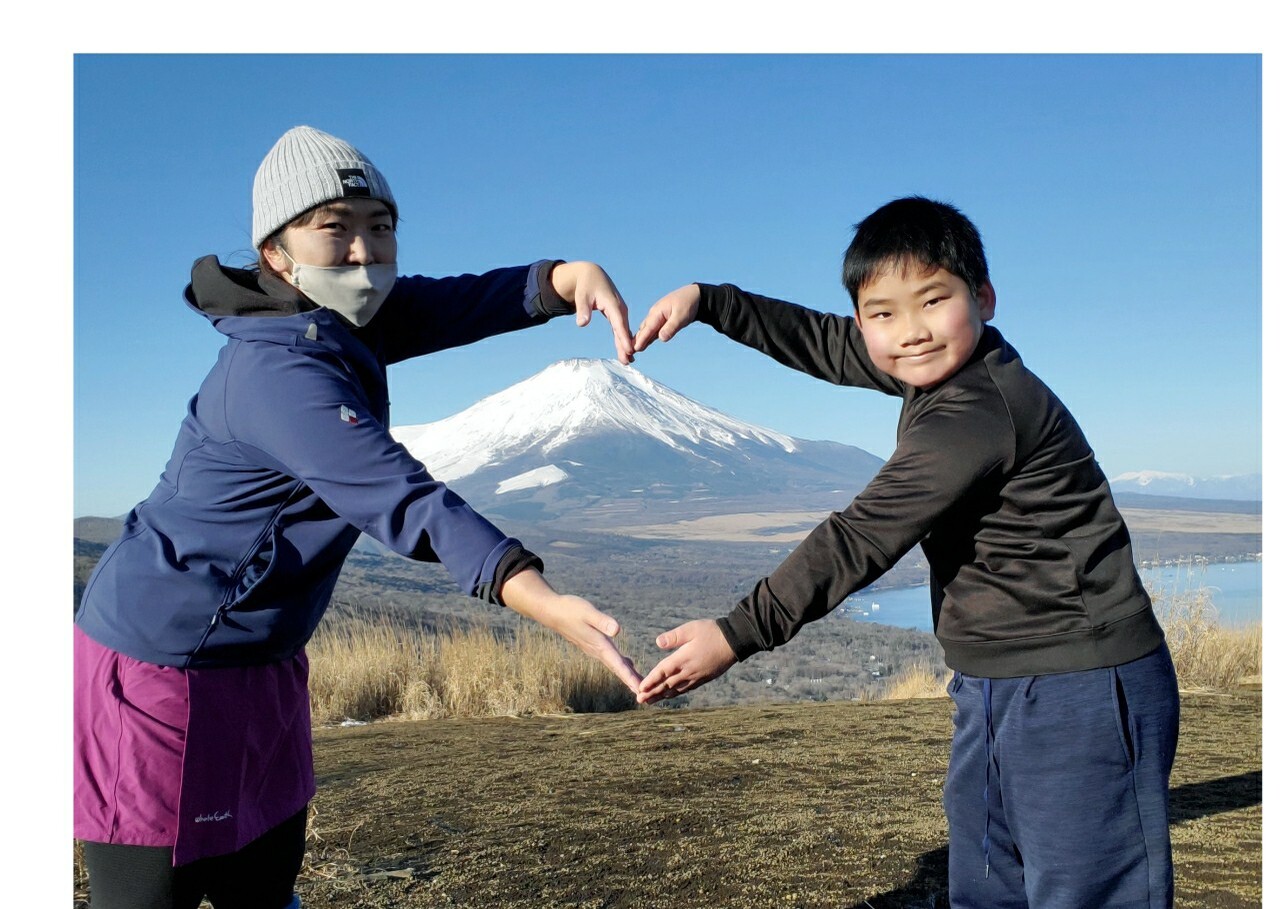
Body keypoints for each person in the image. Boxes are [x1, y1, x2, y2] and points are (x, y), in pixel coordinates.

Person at [74, 125, 643, 909]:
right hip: (160, 667)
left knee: (266, 887)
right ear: (276, 252)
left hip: (264, 660)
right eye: (334, 228)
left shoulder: (342, 320)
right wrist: (532, 592)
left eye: (380, 227)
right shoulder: (275, 369)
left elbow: (451, 301)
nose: (363, 253)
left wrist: (559, 280)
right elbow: (400, 495)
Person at [631, 196, 1180, 909]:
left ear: (982, 296)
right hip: (990, 681)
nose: (910, 331)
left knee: (1088, 893)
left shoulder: (979, 405)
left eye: (933, 300)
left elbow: (861, 535)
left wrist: (735, 634)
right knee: (987, 888)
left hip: (1081, 682)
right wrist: (712, 302)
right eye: (882, 313)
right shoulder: (938, 366)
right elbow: (823, 340)